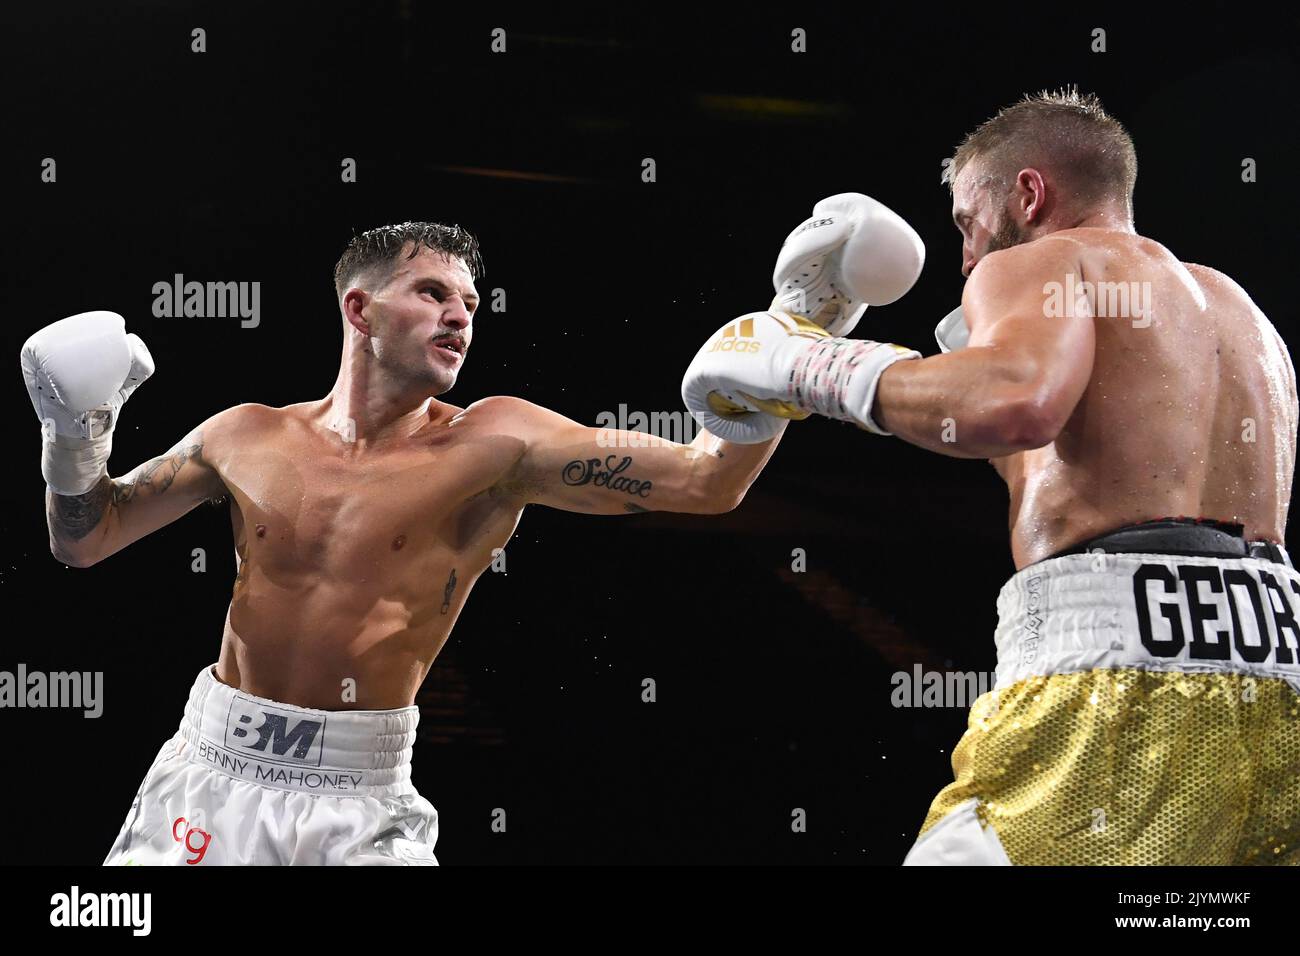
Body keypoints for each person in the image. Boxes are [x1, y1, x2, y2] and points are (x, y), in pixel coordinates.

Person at [24, 221, 805, 865]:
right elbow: (87, 541)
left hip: (358, 799)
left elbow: (710, 482)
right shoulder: (244, 433)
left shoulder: (497, 442)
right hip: (209, 770)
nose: (461, 315)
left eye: (470, 301)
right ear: (359, 311)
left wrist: (800, 331)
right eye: (432, 293)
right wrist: (74, 441)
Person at [681, 88, 1300, 865]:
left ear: (1029, 193)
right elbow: (1081, 476)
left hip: (1107, 699)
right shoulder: (1242, 315)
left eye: (967, 227)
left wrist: (799, 361)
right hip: (1273, 696)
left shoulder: (1044, 260)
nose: (968, 258)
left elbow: (1013, 405)